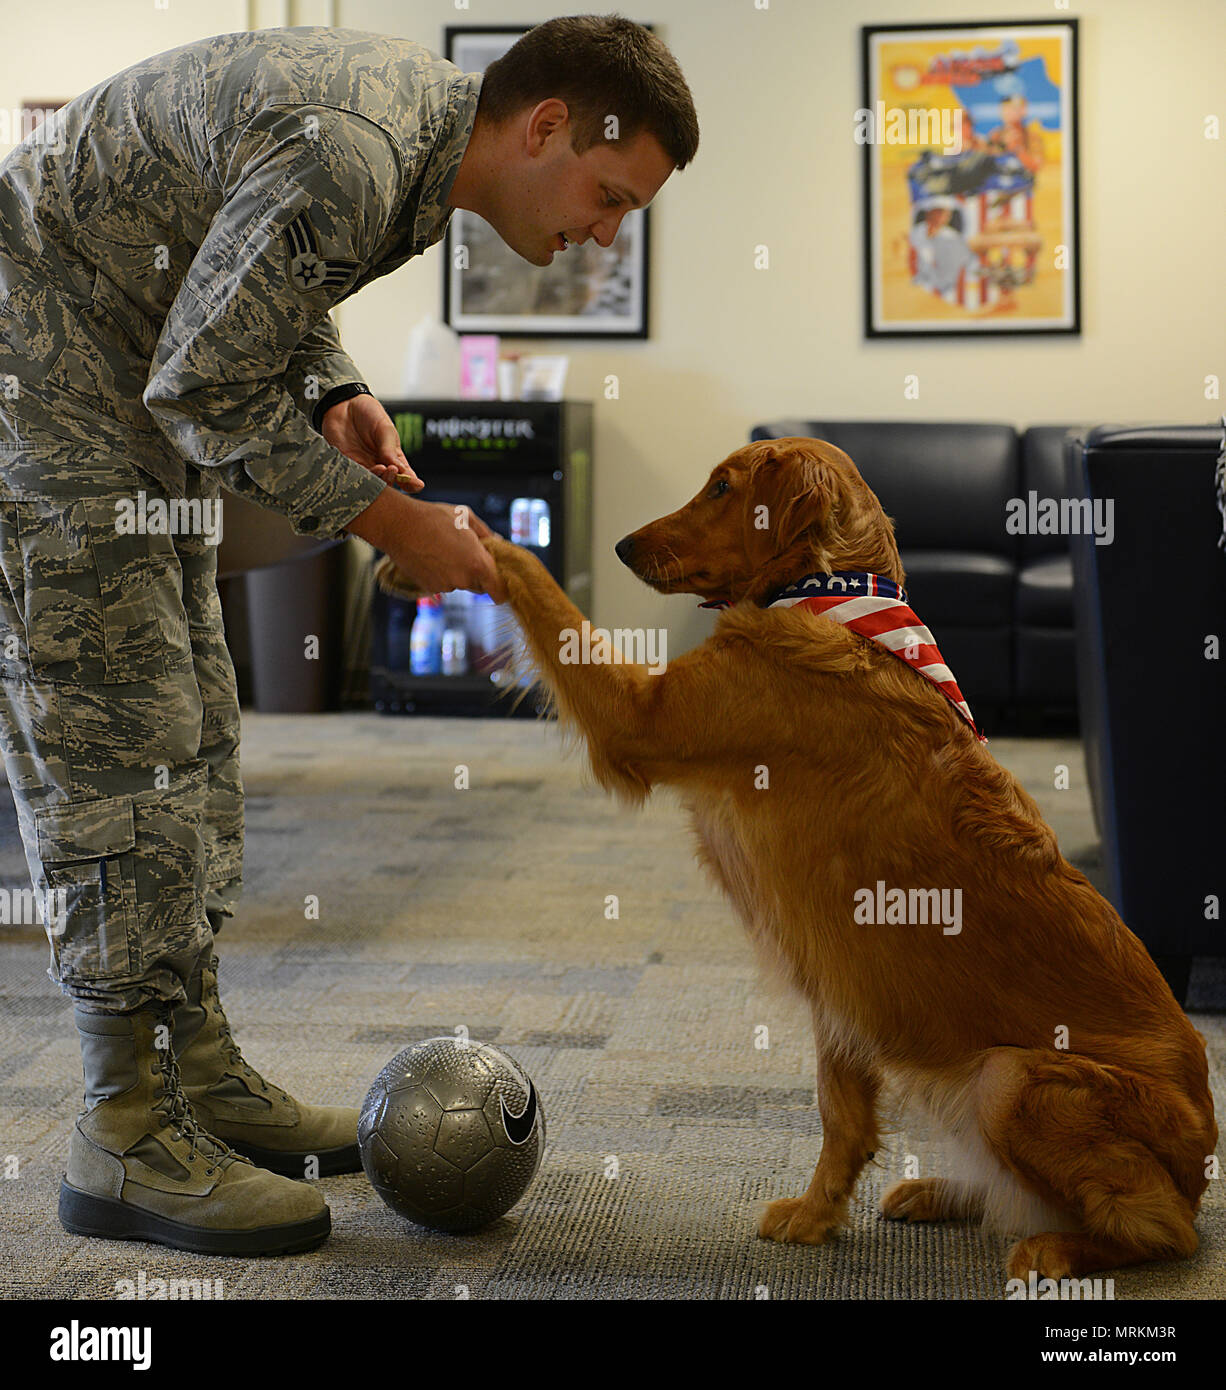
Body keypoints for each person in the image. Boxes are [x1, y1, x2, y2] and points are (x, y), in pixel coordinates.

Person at [0, 15, 698, 1255]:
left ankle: (194, 1074)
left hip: (110, 365)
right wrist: (393, 525)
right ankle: (122, 1131)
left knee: (194, 721)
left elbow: (251, 265)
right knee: (117, 733)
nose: (607, 231)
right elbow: (208, 383)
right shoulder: (361, 148)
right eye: (608, 194)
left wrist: (332, 387)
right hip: (40, 370)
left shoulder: (413, 139)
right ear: (544, 126)